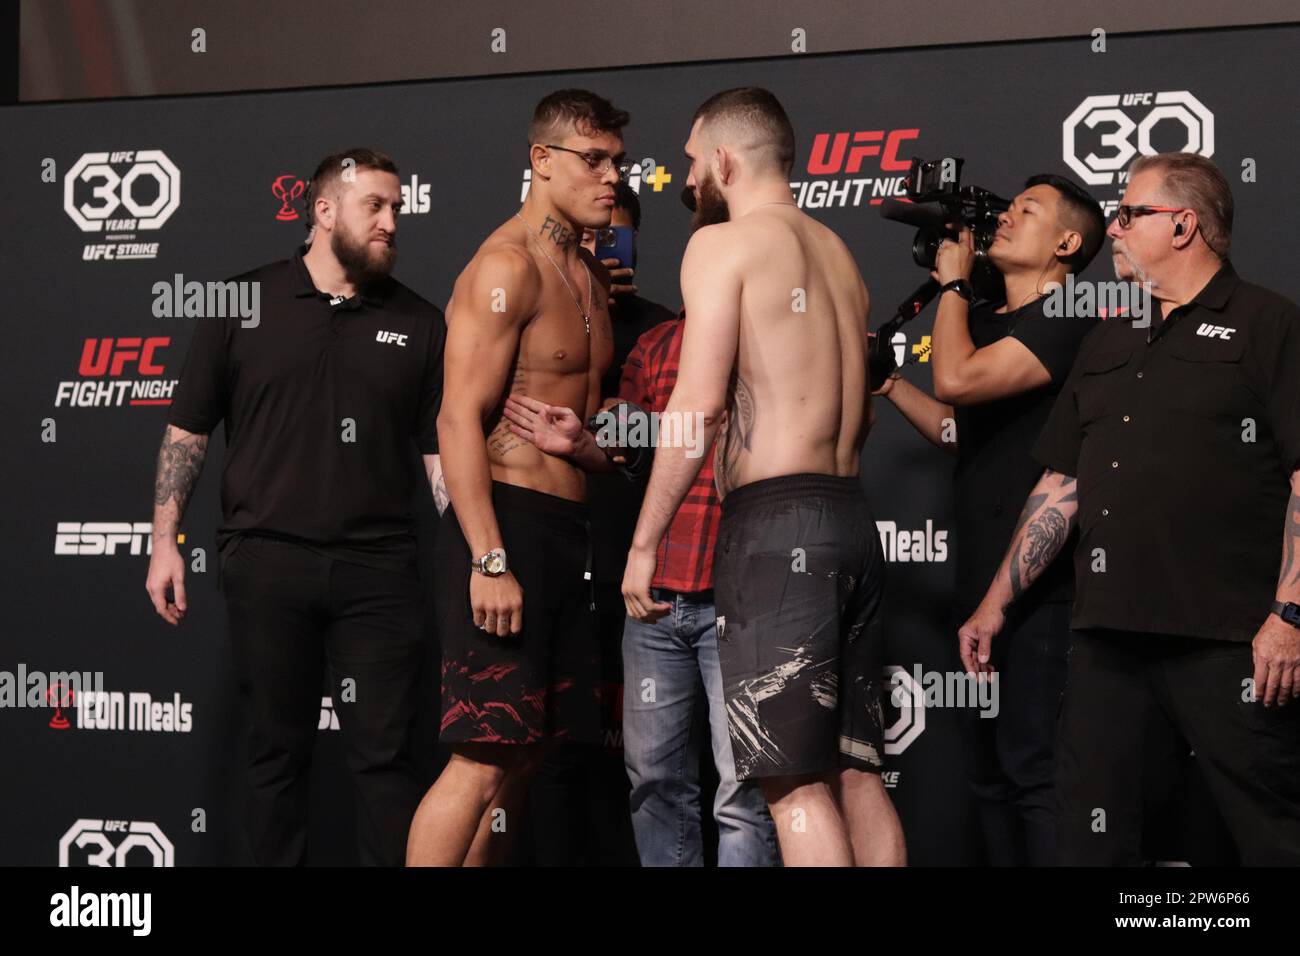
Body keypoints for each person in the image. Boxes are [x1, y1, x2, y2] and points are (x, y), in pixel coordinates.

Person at [962, 152, 1300, 865]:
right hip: (1108, 640)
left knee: (1270, 832)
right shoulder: (1108, 338)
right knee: (1090, 837)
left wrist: (1289, 615)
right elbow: (1063, 484)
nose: (1111, 230)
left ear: (1182, 225)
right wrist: (996, 603)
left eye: (1127, 214)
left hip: (1231, 639)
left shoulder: (1269, 325)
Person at [621, 87, 905, 866]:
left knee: (790, 785)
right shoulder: (839, 258)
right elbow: (867, 411)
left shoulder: (724, 246)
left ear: (722, 159)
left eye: (688, 160)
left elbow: (698, 403)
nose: (684, 178)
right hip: (850, 517)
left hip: (780, 531)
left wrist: (646, 540)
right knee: (856, 773)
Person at [145, 148, 445, 866]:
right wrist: (163, 542)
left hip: (380, 572)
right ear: (323, 211)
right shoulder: (239, 302)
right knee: (275, 755)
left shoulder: (420, 322)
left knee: (385, 760)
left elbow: (439, 460)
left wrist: (481, 555)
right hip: (267, 560)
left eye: (396, 208)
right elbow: (187, 431)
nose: (390, 222)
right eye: (374, 205)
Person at [405, 89, 626, 867]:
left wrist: (601, 452)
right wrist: (487, 558)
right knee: (481, 755)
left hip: (570, 537)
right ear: (542, 160)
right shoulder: (508, 266)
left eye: (616, 162)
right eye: (592, 160)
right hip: (505, 528)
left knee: (525, 754)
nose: (611, 178)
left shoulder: (592, 278)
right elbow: (456, 418)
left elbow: (596, 430)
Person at [872, 174, 1105, 864]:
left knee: (1032, 770)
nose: (1006, 218)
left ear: (1067, 243)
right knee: (989, 777)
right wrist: (887, 384)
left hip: (1043, 587)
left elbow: (960, 380)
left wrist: (947, 287)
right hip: (978, 580)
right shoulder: (984, 323)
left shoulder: (1074, 313)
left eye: (1027, 211)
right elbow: (958, 429)